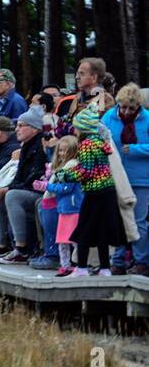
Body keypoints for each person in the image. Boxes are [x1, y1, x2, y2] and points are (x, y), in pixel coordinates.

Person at [0, 107, 48, 263]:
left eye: (21, 125)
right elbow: (18, 177)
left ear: (34, 128)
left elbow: (35, 177)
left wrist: (7, 190)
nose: (16, 129)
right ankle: (0, 247)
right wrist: (2, 189)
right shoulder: (25, 145)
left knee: (12, 195)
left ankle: (21, 249)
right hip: (25, 188)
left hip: (39, 190)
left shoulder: (41, 146)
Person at [70, 106, 127, 275]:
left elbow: (86, 171)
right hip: (107, 191)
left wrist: (64, 175)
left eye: (76, 127)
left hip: (94, 192)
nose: (74, 130)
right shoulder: (101, 142)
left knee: (84, 229)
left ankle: (81, 267)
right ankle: (105, 268)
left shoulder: (86, 144)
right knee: (103, 229)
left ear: (83, 128)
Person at [100, 83, 149, 276]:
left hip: (141, 179)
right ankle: (118, 261)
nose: (126, 111)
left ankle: (141, 262)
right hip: (115, 176)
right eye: (123, 106)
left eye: (131, 108)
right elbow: (98, 139)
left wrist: (137, 149)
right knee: (117, 219)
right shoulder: (109, 117)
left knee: (138, 221)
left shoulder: (147, 119)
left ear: (139, 106)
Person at [43, 136, 84, 276]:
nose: (62, 154)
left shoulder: (73, 166)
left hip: (73, 208)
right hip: (64, 208)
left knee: (73, 240)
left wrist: (47, 186)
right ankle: (65, 265)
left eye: (65, 151)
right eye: (60, 150)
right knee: (62, 239)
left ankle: (79, 264)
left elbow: (66, 188)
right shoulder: (62, 168)